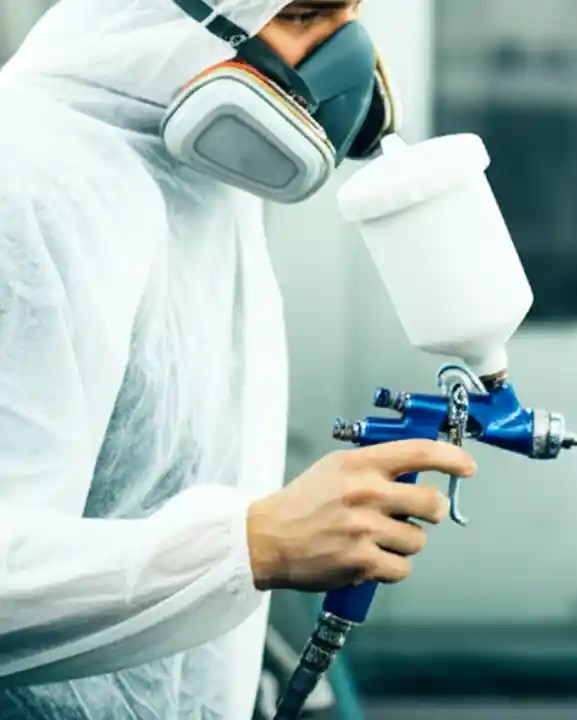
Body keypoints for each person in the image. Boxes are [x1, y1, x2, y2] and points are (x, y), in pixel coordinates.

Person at [0, 1, 474, 717]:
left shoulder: (197, 168)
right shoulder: (31, 186)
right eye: (309, 12)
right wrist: (253, 546)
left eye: (348, 12)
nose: (342, 57)